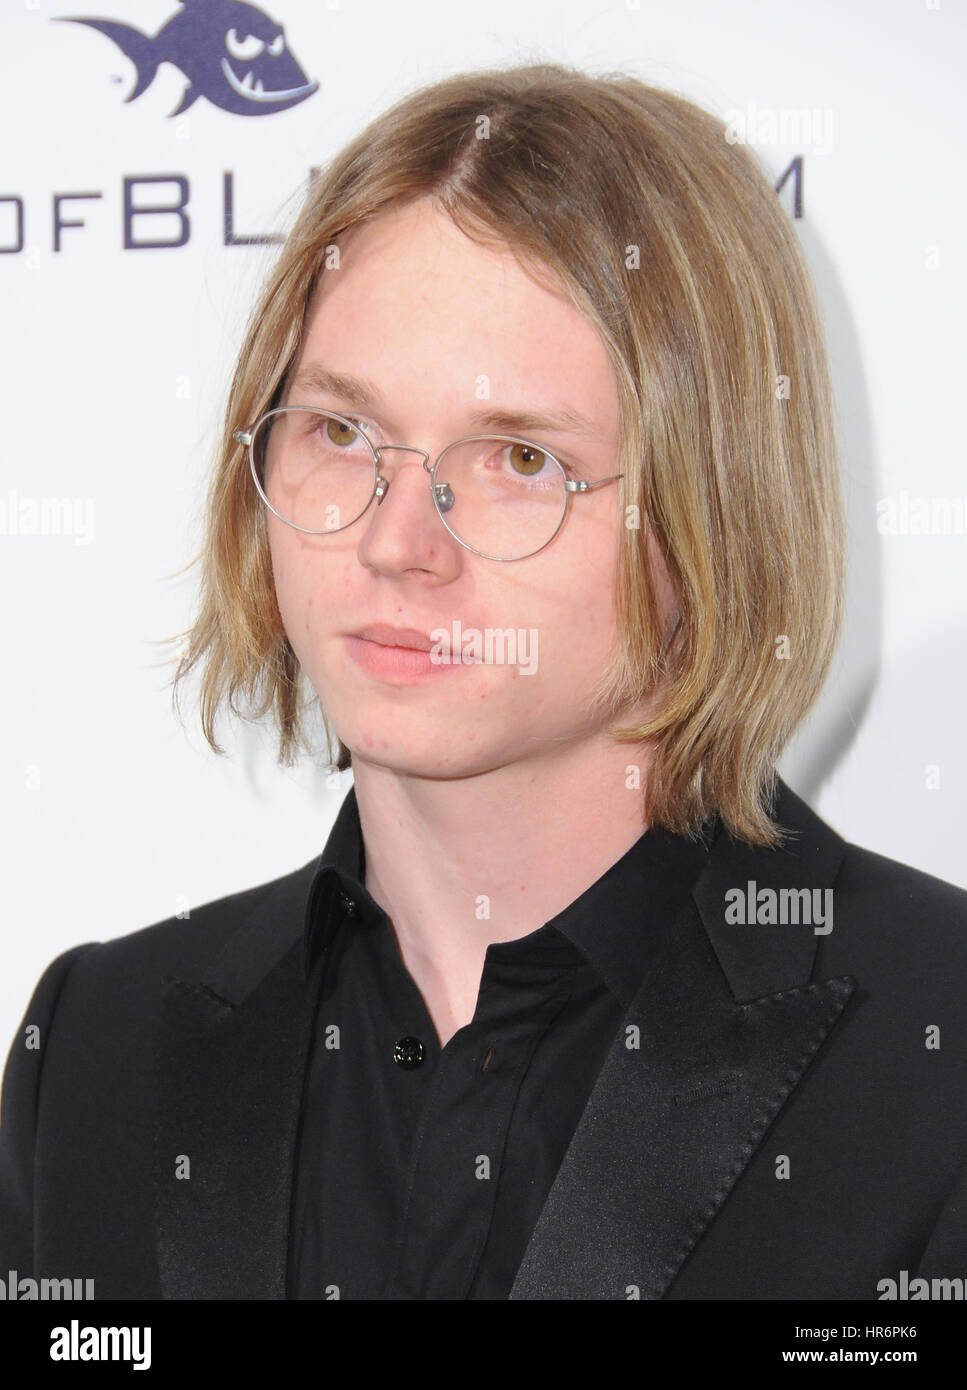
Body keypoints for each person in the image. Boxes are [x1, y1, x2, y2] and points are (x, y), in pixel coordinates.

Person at [1, 62, 965, 1303]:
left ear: (712, 510)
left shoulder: (934, 1051)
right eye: (340, 431)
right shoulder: (98, 1047)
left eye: (517, 457)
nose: (396, 541)